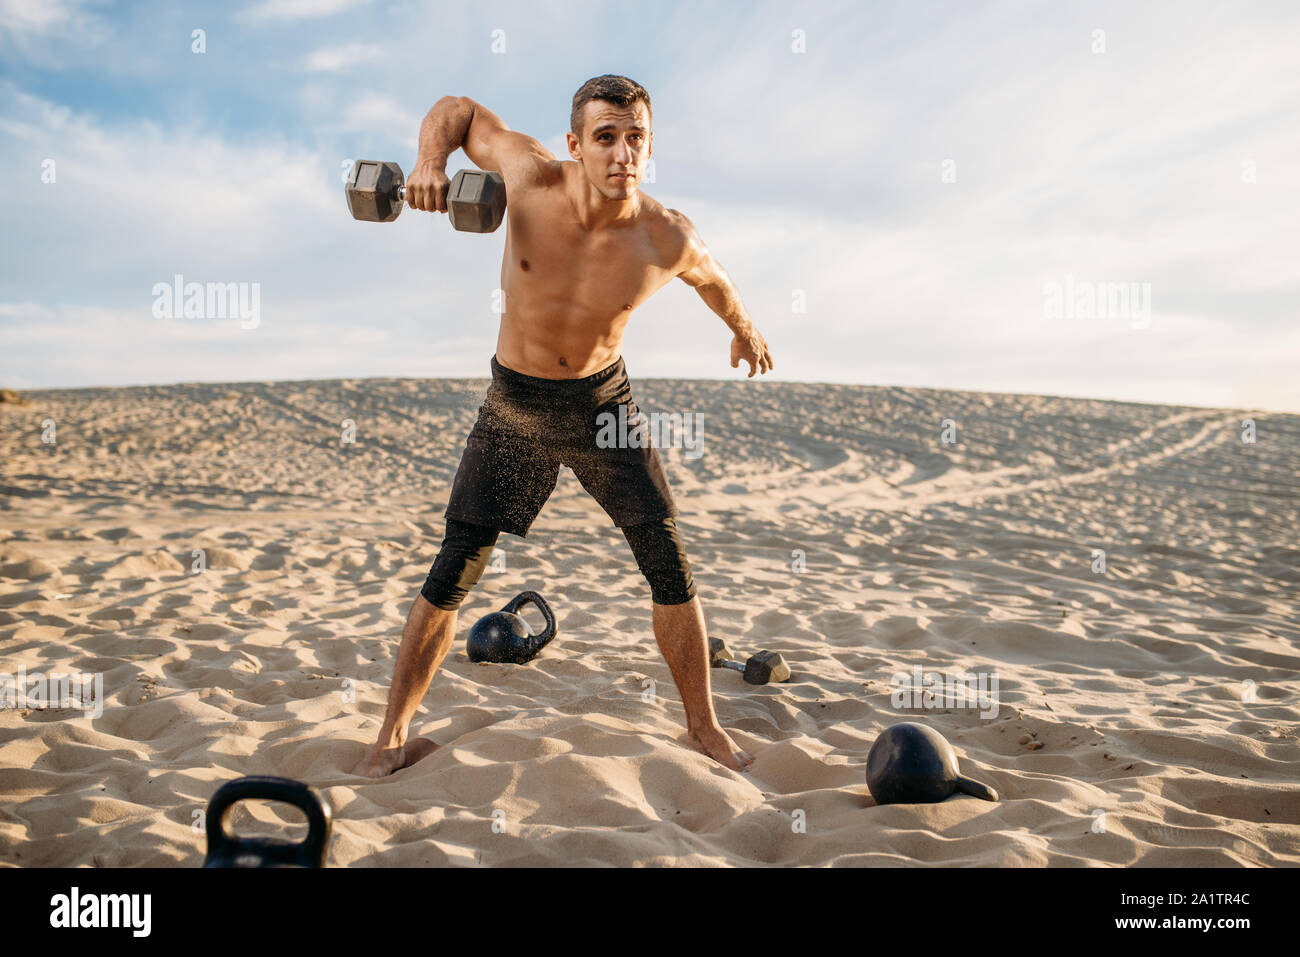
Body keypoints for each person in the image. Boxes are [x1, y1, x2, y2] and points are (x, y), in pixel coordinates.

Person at [352, 75, 773, 778]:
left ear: (649, 146)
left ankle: (704, 727)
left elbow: (714, 280)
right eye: (605, 137)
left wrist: (747, 331)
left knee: (666, 559)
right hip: (514, 406)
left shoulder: (665, 235)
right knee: (455, 566)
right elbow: (457, 111)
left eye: (635, 137)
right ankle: (390, 737)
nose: (622, 153)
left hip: (602, 408)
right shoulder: (527, 176)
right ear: (576, 144)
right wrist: (429, 164)